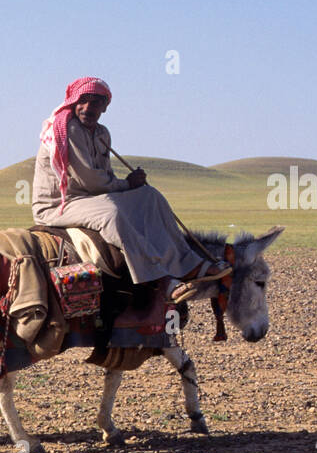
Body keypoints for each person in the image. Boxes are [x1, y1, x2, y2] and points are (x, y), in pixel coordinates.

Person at [31, 77, 230, 297]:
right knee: (111, 213)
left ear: (105, 107)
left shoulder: (102, 133)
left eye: (96, 103)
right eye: (83, 100)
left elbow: (104, 177)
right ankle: (160, 279)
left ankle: (189, 264)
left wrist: (132, 186)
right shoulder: (68, 129)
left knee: (149, 197)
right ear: (73, 101)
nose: (88, 107)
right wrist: (127, 184)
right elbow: (91, 181)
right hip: (60, 204)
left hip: (91, 198)